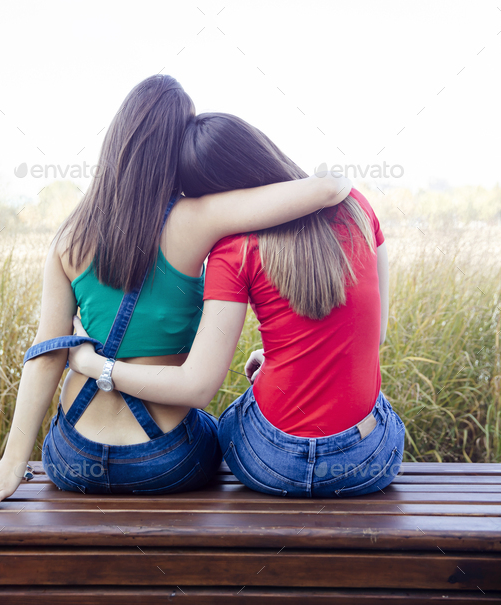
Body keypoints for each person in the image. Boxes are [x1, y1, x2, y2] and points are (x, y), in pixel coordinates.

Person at [0, 80, 351, 512]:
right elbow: (328, 188)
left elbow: (48, 354)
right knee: (222, 430)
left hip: (72, 457)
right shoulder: (198, 218)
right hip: (163, 460)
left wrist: (13, 463)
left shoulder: (67, 239)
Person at [69, 112, 404, 498]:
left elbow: (196, 384)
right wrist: (287, 357)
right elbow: (373, 336)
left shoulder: (233, 250)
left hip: (275, 464)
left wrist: (96, 365)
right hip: (367, 461)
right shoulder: (357, 209)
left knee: (225, 423)